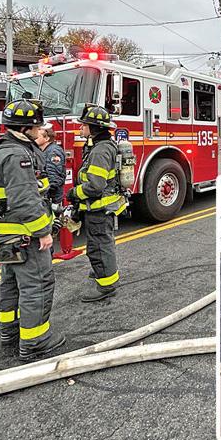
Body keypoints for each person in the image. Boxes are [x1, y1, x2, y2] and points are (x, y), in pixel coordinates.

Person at [0, 98, 64, 361]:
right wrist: (43, 231)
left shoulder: (0, 149)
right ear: (26, 128)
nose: (39, 130)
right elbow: (23, 199)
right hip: (24, 233)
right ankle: (35, 342)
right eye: (36, 126)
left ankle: (10, 333)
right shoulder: (18, 155)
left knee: (11, 283)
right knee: (37, 285)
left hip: (5, 233)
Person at [67, 105, 127, 303]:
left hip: (99, 208)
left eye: (83, 125)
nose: (80, 128)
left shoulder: (100, 151)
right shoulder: (100, 146)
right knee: (102, 244)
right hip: (100, 207)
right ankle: (104, 271)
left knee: (99, 247)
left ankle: (107, 285)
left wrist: (74, 193)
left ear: (93, 127)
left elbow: (95, 186)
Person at [35, 122, 67, 251]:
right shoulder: (42, 151)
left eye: (38, 136)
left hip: (51, 199)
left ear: (47, 138)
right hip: (45, 199)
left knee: (48, 233)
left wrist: (40, 190)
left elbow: (54, 180)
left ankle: (48, 263)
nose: (34, 138)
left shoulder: (53, 152)